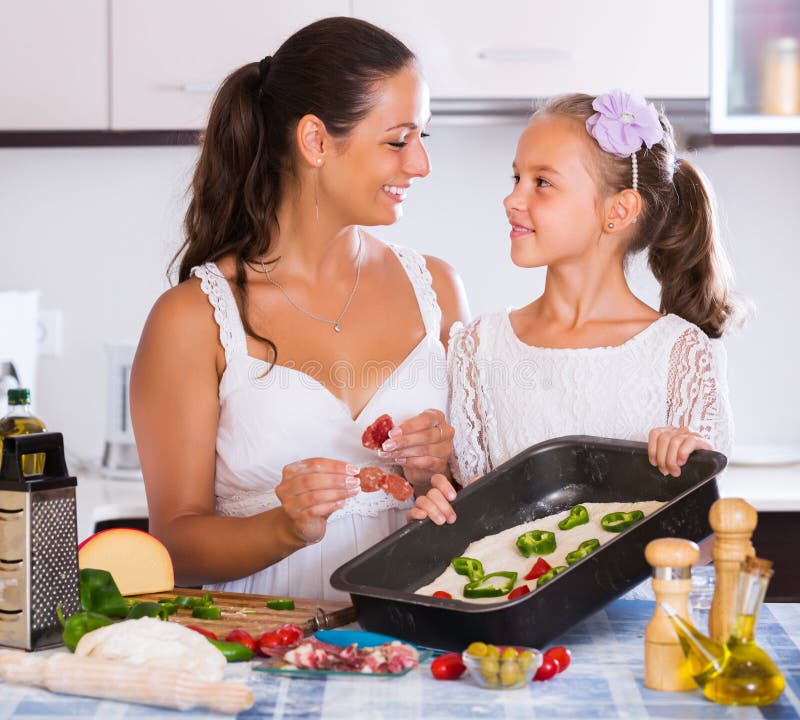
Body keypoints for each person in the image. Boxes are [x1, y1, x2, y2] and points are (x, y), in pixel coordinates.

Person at [130, 17, 469, 599]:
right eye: (398, 140)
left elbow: (471, 510)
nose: (421, 165)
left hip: (413, 642)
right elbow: (174, 548)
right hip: (265, 650)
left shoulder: (437, 288)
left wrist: (439, 475)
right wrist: (284, 528)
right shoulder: (193, 319)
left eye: (424, 137)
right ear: (314, 141)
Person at [406, 90, 743, 525]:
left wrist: (688, 482)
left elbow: (705, 546)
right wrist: (428, 497)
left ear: (618, 210)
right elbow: (471, 526)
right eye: (517, 179)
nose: (513, 199)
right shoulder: (477, 348)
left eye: (542, 182)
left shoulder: (681, 354)